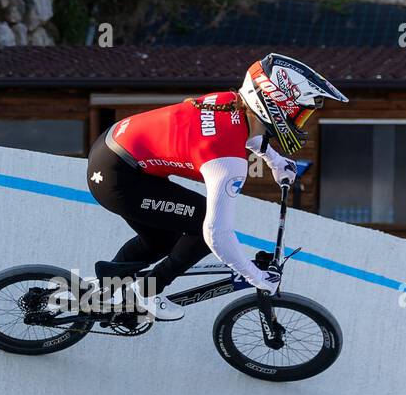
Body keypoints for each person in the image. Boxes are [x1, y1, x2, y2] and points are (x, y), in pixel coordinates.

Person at [86, 54, 346, 320]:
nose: (300, 122)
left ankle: (104, 291)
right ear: (274, 104)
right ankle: (148, 291)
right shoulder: (228, 164)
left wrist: (275, 161)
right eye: (299, 114)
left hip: (114, 152)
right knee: (200, 225)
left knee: (162, 241)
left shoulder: (230, 103)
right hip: (118, 176)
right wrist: (254, 276)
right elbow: (216, 234)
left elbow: (242, 133)